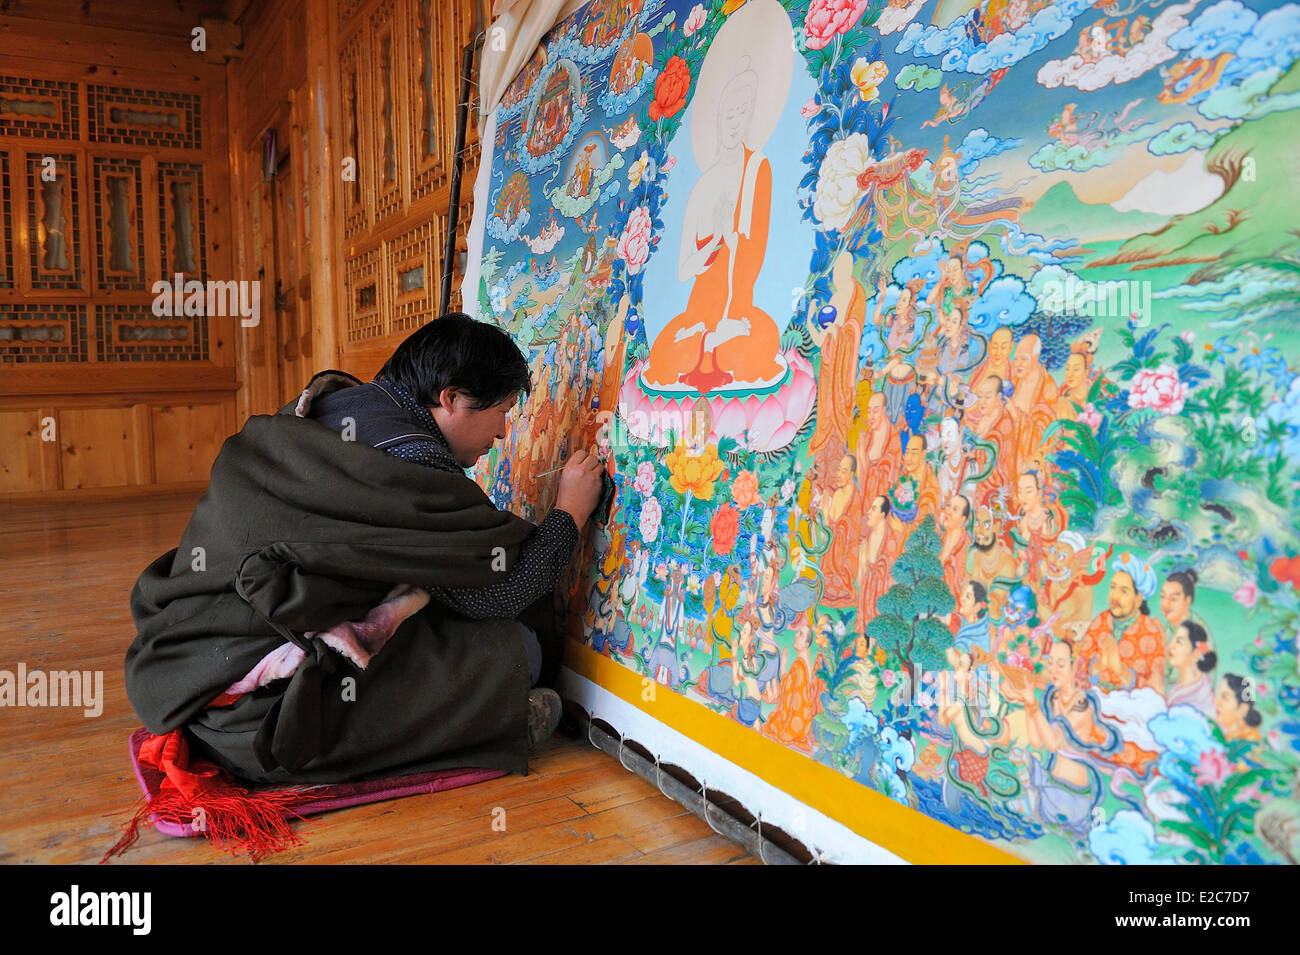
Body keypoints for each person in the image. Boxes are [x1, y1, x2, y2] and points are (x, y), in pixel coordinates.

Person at [122, 314, 606, 825]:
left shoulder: (327, 407)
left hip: (188, 680)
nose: (505, 433)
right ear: (451, 398)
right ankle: (486, 723)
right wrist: (570, 512)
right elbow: (498, 596)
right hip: (263, 722)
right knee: (518, 652)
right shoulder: (412, 462)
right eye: (502, 411)